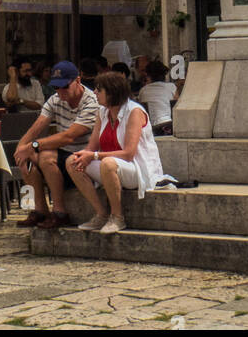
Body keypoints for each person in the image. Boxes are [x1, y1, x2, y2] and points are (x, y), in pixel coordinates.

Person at [67, 70, 165, 234]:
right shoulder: (102, 112)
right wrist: (83, 155)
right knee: (72, 161)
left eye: (99, 89)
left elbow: (128, 154)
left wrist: (95, 155)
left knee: (107, 162)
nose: (95, 93)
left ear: (112, 92)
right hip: (112, 166)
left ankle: (117, 217)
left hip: (137, 169)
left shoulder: (134, 112)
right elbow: (91, 148)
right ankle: (101, 214)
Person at [13, 61, 99, 230]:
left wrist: (33, 145)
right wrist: (21, 147)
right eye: (56, 87)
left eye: (64, 87)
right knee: (26, 159)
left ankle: (59, 211)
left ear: (78, 81)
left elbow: (69, 136)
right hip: (64, 152)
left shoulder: (91, 102)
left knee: (44, 156)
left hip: (84, 154)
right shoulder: (56, 99)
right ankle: (39, 209)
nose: (60, 92)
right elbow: (38, 126)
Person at [138, 59, 179, 136]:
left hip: (154, 127)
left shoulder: (143, 91)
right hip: (170, 123)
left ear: (148, 75)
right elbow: (177, 104)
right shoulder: (172, 87)